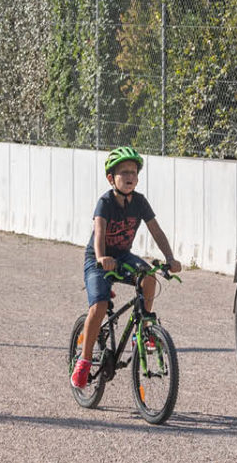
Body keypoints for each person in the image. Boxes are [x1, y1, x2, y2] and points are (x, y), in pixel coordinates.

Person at [72, 146, 180, 391]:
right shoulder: (105, 202)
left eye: (134, 172)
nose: (130, 176)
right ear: (111, 178)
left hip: (123, 256)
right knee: (99, 307)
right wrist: (101, 257)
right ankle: (85, 360)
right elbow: (99, 232)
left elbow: (156, 230)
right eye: (124, 172)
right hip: (98, 259)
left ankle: (142, 330)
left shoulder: (140, 202)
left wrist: (170, 258)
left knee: (149, 277)